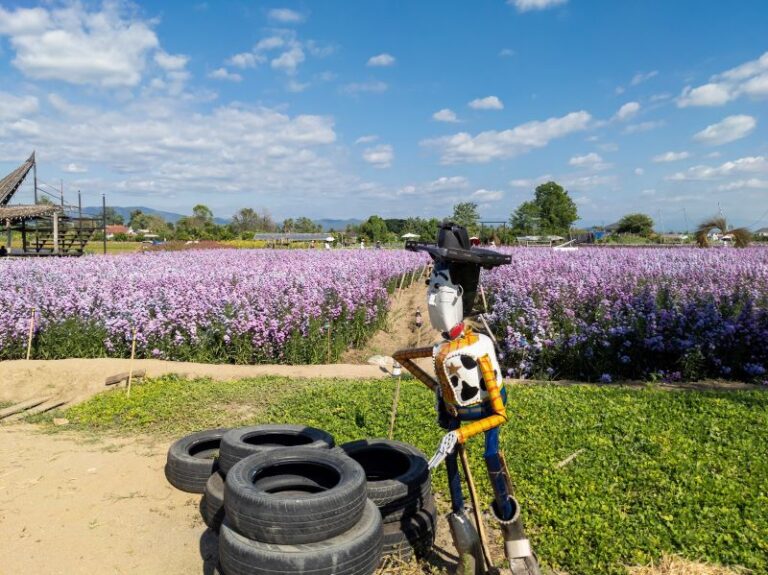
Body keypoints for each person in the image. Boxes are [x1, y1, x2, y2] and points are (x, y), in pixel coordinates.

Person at [393, 222, 540, 575]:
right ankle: (468, 550)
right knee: (453, 468)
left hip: (481, 412)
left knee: (492, 458)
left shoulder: (480, 347)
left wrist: (459, 433)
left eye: (440, 290)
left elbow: (499, 412)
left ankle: (514, 541)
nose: (432, 297)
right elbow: (433, 365)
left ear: (459, 296)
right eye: (431, 287)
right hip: (453, 412)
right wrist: (404, 362)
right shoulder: (442, 347)